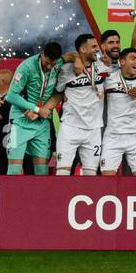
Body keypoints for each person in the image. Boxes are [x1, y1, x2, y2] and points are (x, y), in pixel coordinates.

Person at [4, 42, 63, 175]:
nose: (49, 67)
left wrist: (76, 60)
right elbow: (11, 96)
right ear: (42, 54)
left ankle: (41, 196)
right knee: (14, 168)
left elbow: (71, 57)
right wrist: (36, 109)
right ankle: (12, 195)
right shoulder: (26, 67)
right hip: (19, 122)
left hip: (42, 123)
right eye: (47, 62)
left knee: (42, 169)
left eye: (52, 64)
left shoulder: (59, 64)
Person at [50, 34, 105, 176]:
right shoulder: (66, 69)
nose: (97, 49)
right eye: (93, 46)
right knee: (62, 173)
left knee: (91, 175)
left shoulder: (104, 66)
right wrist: (43, 109)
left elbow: (126, 68)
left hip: (93, 129)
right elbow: (57, 93)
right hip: (70, 127)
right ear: (83, 49)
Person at [101, 47, 136, 176]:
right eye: (133, 58)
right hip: (113, 136)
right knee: (107, 179)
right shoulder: (110, 78)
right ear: (122, 62)